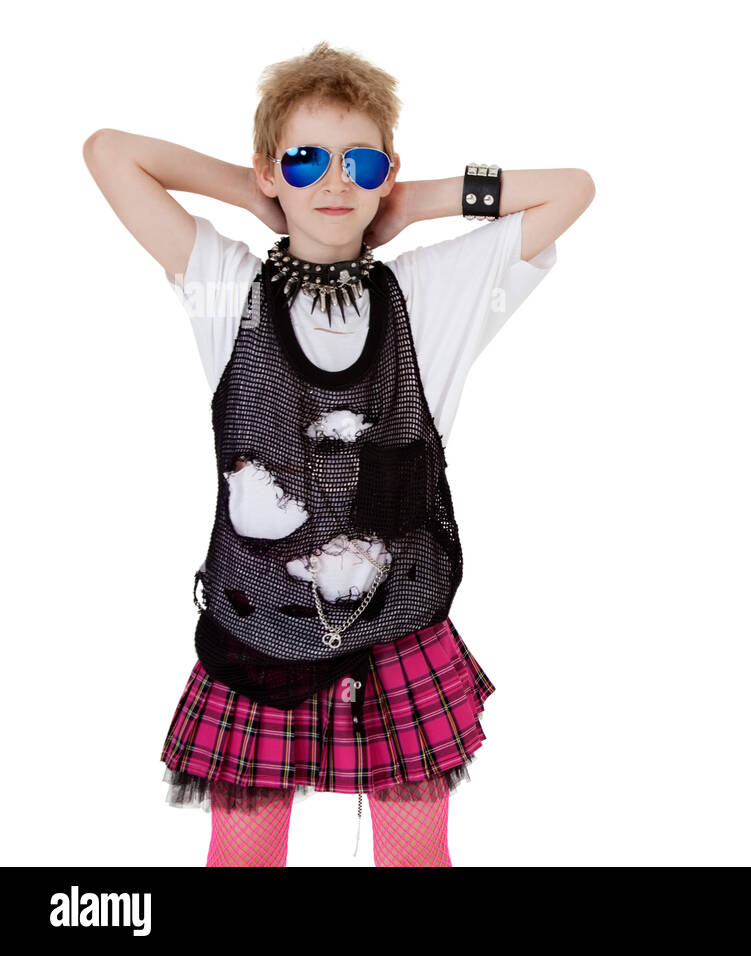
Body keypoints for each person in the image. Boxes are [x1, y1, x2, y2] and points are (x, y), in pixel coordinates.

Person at [82, 41, 595, 867]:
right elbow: (111, 153)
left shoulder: (428, 296)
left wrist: (404, 202)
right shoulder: (226, 288)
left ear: (386, 170)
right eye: (305, 158)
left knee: (415, 856)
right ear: (269, 168)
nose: (332, 180)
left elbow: (573, 190)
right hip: (262, 634)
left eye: (357, 161)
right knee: (243, 855)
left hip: (400, 629)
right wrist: (261, 199)